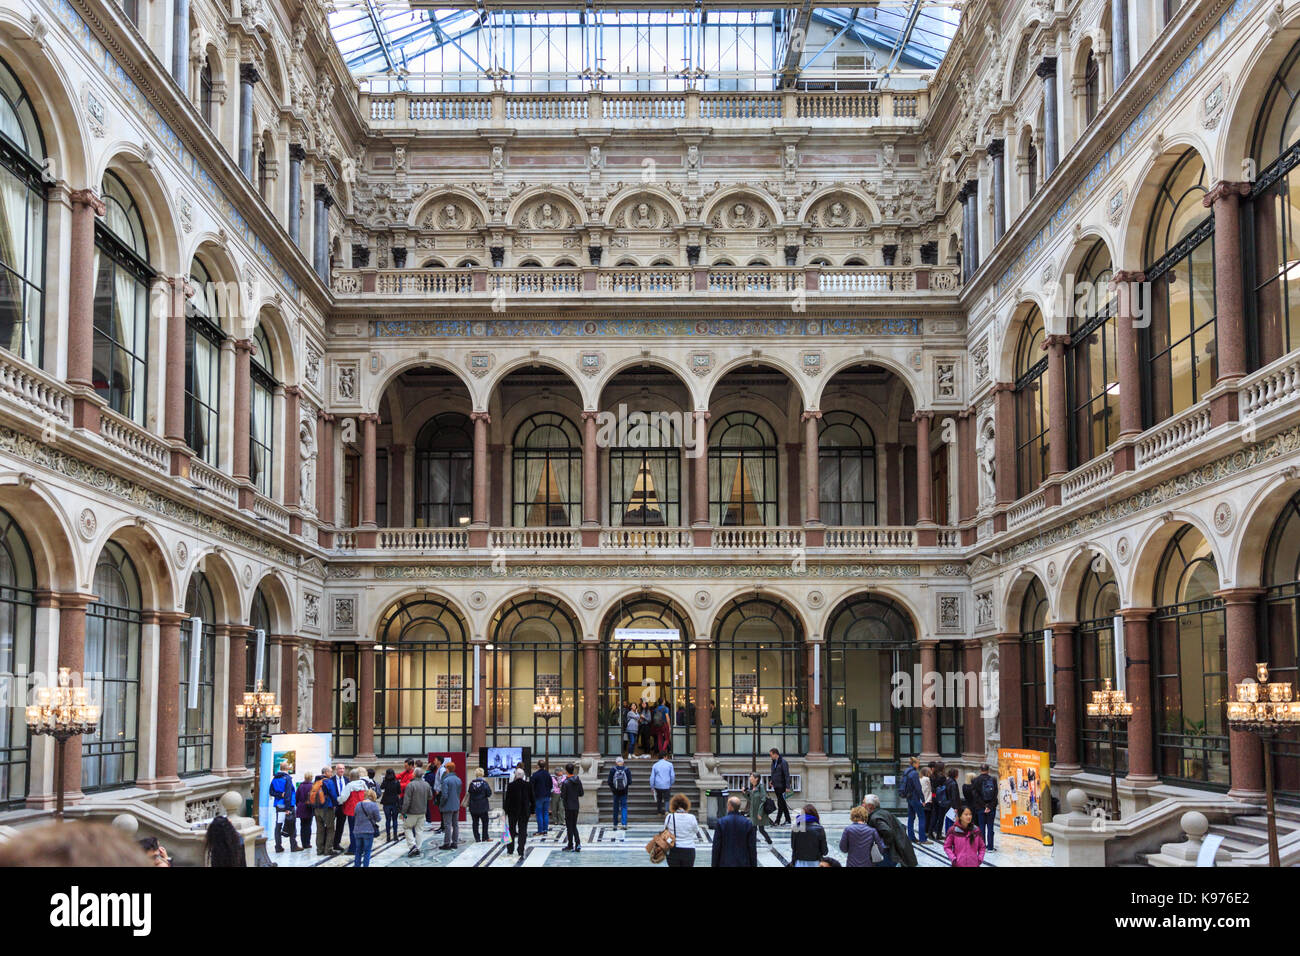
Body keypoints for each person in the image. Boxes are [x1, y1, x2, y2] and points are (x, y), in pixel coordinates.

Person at [864, 793, 916, 867]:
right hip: (892, 853)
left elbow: (887, 831)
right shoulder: (884, 812)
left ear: (870, 806)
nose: (862, 805)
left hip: (886, 854)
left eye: (863, 803)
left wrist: (884, 846)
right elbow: (901, 827)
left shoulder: (875, 817)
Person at [711, 795, 758, 867]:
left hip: (725, 862)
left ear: (730, 806)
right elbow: (752, 847)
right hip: (743, 862)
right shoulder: (747, 823)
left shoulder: (721, 822)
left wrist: (714, 864)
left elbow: (716, 847)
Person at [400, 767, 433, 857]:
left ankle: (412, 846)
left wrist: (403, 812)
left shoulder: (410, 785)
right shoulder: (426, 784)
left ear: (414, 774)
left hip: (411, 812)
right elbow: (430, 796)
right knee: (419, 830)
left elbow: (406, 801)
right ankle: (418, 848)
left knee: (407, 827)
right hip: (422, 811)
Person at [268, 760, 299, 852]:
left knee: (278, 825)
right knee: (292, 824)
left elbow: (271, 792)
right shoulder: (287, 778)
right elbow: (288, 794)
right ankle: (294, 846)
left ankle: (278, 846)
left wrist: (280, 794)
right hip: (287, 805)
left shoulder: (275, 778)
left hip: (278, 805)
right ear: (287, 769)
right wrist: (288, 808)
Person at [310, 765, 341, 855]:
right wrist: (336, 804)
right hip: (327, 808)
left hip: (316, 808)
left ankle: (319, 849)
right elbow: (333, 795)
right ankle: (328, 849)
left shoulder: (316, 781)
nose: (332, 773)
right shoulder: (329, 781)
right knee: (330, 828)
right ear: (326, 772)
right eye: (330, 772)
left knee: (320, 829)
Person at [504, 766, 535, 855]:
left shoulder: (511, 785)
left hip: (512, 811)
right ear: (523, 775)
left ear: (516, 775)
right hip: (524, 811)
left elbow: (507, 799)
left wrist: (506, 811)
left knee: (511, 830)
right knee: (523, 830)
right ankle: (520, 849)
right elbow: (532, 799)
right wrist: (532, 810)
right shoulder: (528, 785)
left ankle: (510, 849)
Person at [664, 793, 701, 867]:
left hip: (673, 849)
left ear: (673, 805)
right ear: (686, 805)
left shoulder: (669, 817)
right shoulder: (691, 817)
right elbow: (696, 830)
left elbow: (665, 830)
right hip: (688, 849)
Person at [352, 788, 382, 867]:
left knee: (358, 851)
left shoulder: (358, 804)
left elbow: (355, 815)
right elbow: (378, 819)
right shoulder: (374, 805)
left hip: (357, 831)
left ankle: (357, 865)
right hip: (368, 831)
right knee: (367, 851)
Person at [972, 763, 998, 851]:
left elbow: (975, 796)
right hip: (991, 808)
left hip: (980, 808)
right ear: (988, 770)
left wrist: (984, 806)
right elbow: (995, 795)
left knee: (981, 827)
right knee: (990, 827)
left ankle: (982, 847)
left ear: (980, 770)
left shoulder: (976, 780)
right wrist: (989, 806)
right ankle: (990, 847)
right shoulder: (993, 780)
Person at [901, 756, 927, 844]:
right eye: (918, 763)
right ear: (914, 763)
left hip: (909, 797)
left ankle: (911, 837)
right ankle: (922, 839)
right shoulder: (914, 773)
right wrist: (923, 799)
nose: (919, 765)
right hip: (915, 798)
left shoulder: (906, 771)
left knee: (911, 817)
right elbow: (918, 788)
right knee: (922, 817)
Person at [560, 762, 585, 852]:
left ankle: (572, 844)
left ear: (567, 771)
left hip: (568, 806)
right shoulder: (577, 780)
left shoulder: (565, 782)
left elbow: (563, 796)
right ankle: (576, 844)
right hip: (575, 805)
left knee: (570, 826)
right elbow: (581, 793)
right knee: (573, 825)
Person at [438, 761, 463, 849]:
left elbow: (444, 795)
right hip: (456, 804)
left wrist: (441, 804)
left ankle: (447, 843)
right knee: (455, 824)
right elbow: (459, 792)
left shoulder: (446, 780)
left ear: (447, 769)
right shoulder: (458, 779)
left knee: (447, 825)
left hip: (447, 805)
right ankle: (455, 842)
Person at [746, 771, 773, 845]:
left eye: (751, 776)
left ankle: (769, 841)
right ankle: (753, 842)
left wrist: (760, 813)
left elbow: (763, 800)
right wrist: (744, 793)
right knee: (754, 828)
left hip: (759, 812)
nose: (750, 778)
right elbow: (750, 799)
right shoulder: (753, 787)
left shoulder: (761, 787)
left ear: (756, 778)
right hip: (754, 812)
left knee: (761, 829)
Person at [467, 768, 493, 841]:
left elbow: (470, 793)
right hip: (483, 806)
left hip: (473, 806)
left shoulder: (471, 784)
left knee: (475, 823)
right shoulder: (484, 783)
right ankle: (485, 837)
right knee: (485, 822)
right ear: (482, 774)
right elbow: (489, 794)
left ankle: (477, 838)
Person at [768, 748, 792, 826]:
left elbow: (787, 775)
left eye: (771, 755)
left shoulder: (783, 762)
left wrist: (787, 787)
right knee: (782, 803)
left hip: (782, 786)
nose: (770, 756)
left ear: (775, 754)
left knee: (780, 804)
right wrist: (771, 780)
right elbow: (773, 773)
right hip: (776, 786)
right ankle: (788, 819)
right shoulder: (773, 762)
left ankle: (777, 821)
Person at [607, 756, 631, 829]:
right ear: (623, 762)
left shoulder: (612, 770)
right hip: (624, 792)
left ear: (616, 763)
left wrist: (614, 789)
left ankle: (615, 824)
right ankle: (624, 824)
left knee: (616, 808)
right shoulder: (627, 770)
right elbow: (629, 782)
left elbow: (609, 782)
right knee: (624, 807)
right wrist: (624, 787)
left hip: (615, 792)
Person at [530, 758, 552, 834]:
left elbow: (531, 786)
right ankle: (545, 829)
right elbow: (550, 785)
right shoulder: (548, 774)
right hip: (547, 796)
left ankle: (540, 830)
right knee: (545, 813)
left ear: (538, 766)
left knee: (539, 813)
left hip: (538, 796)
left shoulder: (535, 775)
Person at [330, 763, 349, 851]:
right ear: (336, 770)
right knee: (330, 826)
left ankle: (336, 843)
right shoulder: (331, 780)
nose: (341, 770)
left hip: (343, 806)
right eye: (340, 769)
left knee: (340, 826)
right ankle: (328, 843)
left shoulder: (346, 780)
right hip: (333, 806)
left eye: (343, 768)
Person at [380, 768, 402, 843]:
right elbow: (399, 792)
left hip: (386, 802)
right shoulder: (396, 782)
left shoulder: (385, 782)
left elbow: (381, 787)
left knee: (388, 820)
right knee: (395, 820)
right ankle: (395, 836)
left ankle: (388, 836)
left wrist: (384, 780)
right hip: (395, 802)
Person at [294, 770, 315, 850]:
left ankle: (303, 843)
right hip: (309, 808)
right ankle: (307, 843)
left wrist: (298, 805)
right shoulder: (312, 786)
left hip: (301, 807)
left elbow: (296, 797)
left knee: (303, 826)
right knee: (308, 826)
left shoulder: (300, 786)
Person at [943, 766, 963, 835]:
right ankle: (950, 836)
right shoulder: (953, 783)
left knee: (948, 820)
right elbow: (954, 796)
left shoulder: (947, 781)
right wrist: (956, 807)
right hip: (952, 805)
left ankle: (947, 834)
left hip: (947, 803)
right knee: (951, 821)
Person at [427, 756, 445, 828]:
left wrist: (438, 790)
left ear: (439, 761)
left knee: (442, 810)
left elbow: (442, 781)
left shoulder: (442, 770)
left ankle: (443, 827)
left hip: (440, 792)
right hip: (438, 792)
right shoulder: (439, 769)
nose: (434, 761)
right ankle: (442, 826)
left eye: (435, 760)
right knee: (440, 810)